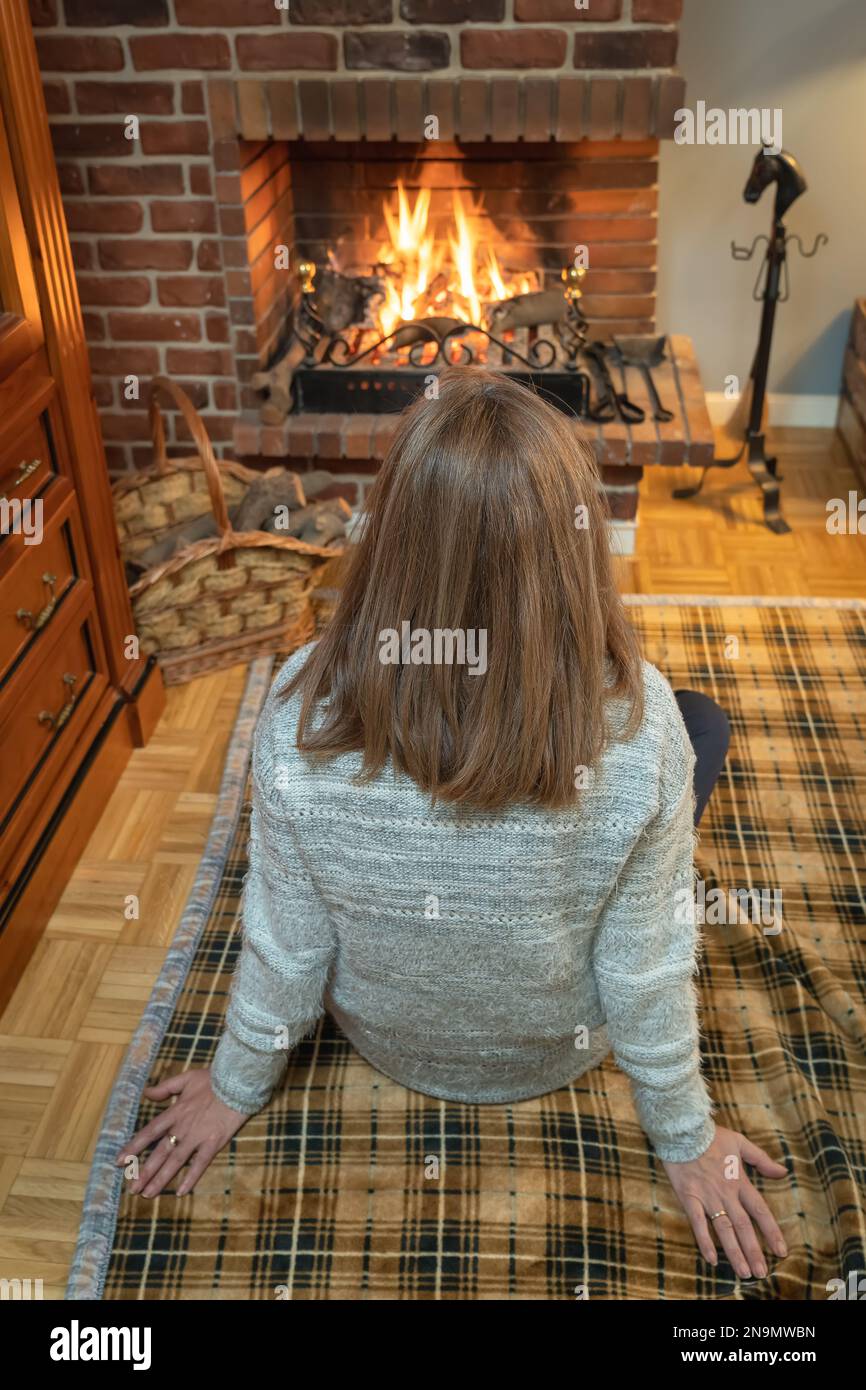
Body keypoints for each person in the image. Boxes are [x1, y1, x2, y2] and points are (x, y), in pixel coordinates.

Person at [118, 367, 787, 1280]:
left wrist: (235, 1082)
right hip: (556, 1051)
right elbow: (644, 963)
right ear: (575, 551)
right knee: (703, 724)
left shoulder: (294, 713)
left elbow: (288, 940)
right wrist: (685, 1136)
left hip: (386, 1036)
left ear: (386, 538)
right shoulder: (644, 731)